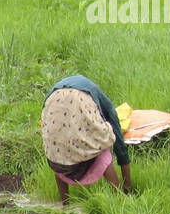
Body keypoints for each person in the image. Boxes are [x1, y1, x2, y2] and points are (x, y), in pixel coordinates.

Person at [41, 75, 133, 204]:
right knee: (103, 144)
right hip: (80, 99)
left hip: (52, 101)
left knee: (59, 146)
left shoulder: (87, 92)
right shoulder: (104, 103)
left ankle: (65, 204)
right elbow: (118, 140)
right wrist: (128, 185)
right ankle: (120, 199)